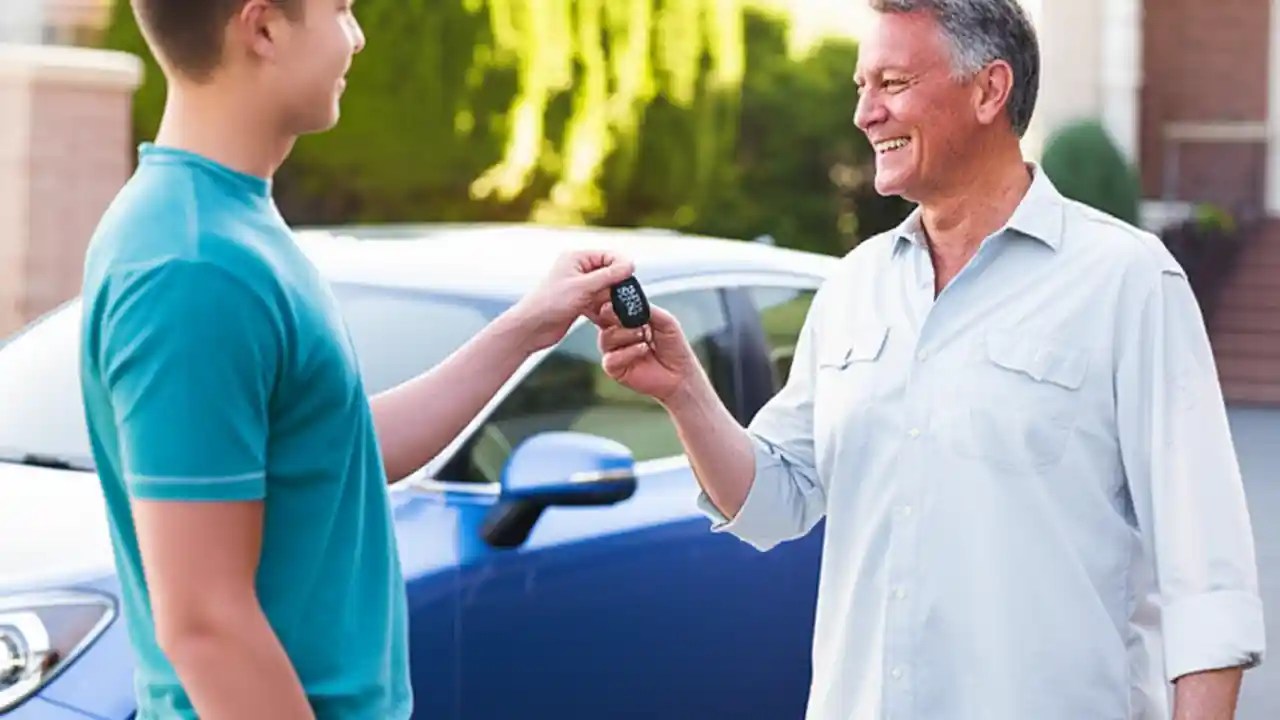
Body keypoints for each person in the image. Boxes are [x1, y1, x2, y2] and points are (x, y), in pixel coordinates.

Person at [596, 1, 1266, 718]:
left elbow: (1206, 581)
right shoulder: (854, 286)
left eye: (891, 82)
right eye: (861, 86)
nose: (865, 114)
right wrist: (683, 392)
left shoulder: (1126, 281)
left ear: (988, 90)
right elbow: (771, 504)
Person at [77, 1, 633, 718]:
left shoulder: (227, 223)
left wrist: (528, 326)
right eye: (340, 9)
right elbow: (205, 624)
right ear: (264, 27)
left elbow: (337, 452)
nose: (359, 36)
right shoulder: (191, 262)